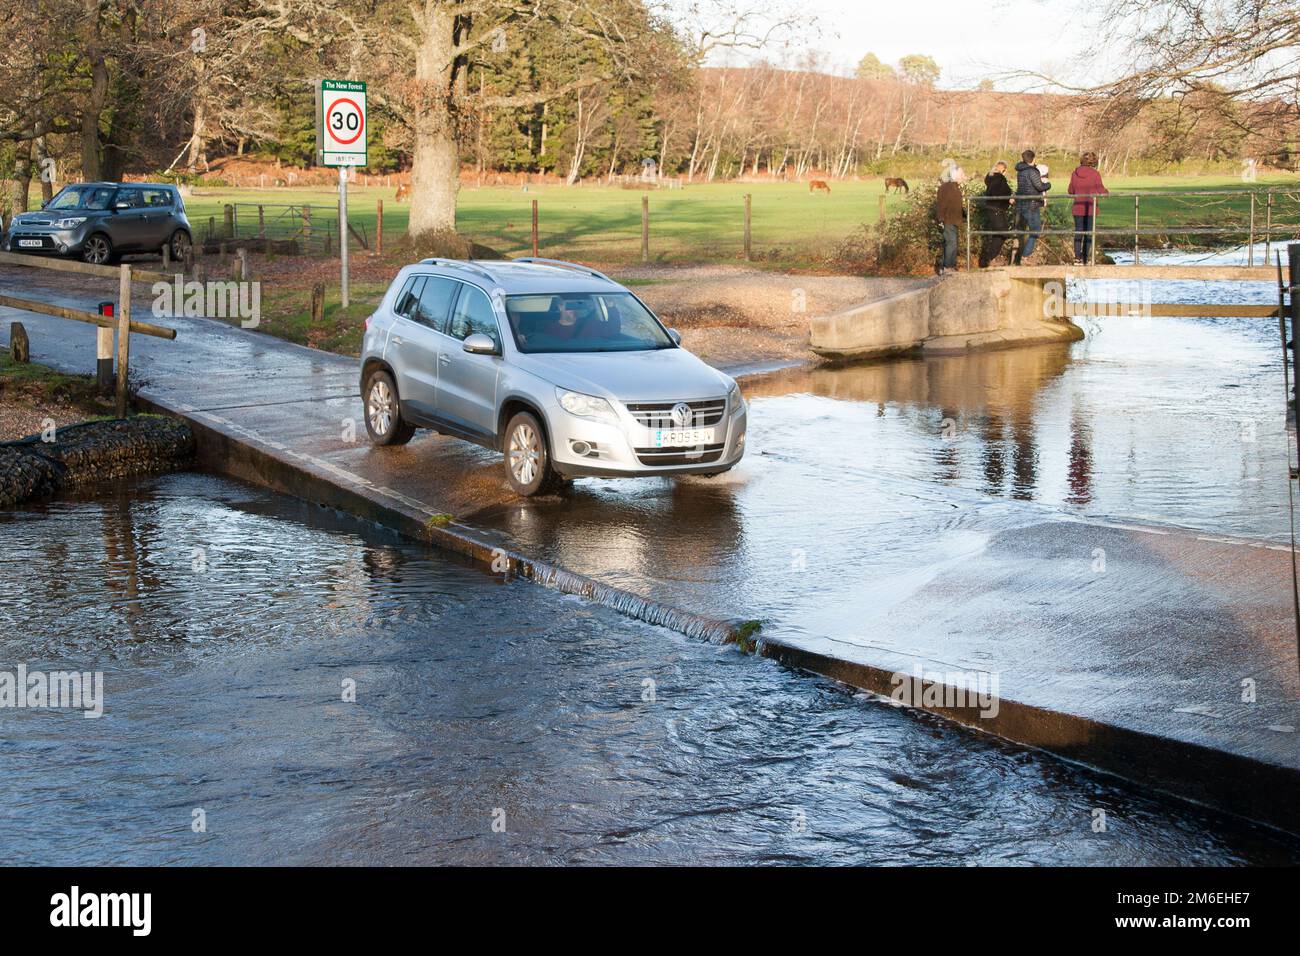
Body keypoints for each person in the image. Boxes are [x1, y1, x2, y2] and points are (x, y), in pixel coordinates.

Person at [1068, 151, 1108, 264]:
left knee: (1078, 232)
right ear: (1093, 162)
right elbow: (1101, 190)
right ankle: (1085, 258)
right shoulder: (1095, 174)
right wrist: (1106, 192)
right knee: (1089, 233)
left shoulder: (1074, 173)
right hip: (1091, 208)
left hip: (1077, 208)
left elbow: (1070, 190)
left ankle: (1077, 258)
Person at [1013, 149, 1050, 263]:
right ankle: (1025, 256)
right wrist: (1048, 184)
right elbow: (1039, 187)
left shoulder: (1020, 171)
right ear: (1033, 159)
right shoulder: (1032, 171)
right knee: (1036, 230)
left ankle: (1018, 258)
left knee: (1022, 231)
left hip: (1022, 204)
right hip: (1032, 204)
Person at [978, 161, 1013, 267]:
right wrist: (1010, 198)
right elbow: (1003, 192)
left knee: (999, 233)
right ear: (1004, 170)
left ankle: (990, 258)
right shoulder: (1000, 179)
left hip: (992, 209)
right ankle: (990, 258)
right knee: (1003, 233)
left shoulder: (990, 178)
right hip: (997, 209)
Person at [935, 163, 965, 274]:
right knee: (951, 243)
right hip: (948, 220)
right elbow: (942, 204)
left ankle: (944, 267)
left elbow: (954, 204)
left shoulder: (953, 187)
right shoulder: (947, 187)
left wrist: (963, 213)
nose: (963, 176)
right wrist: (941, 219)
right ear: (955, 174)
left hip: (952, 220)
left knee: (950, 243)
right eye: (961, 173)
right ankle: (948, 267)